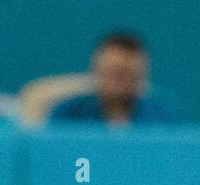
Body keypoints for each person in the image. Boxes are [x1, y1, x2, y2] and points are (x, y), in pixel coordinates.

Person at [48, 33, 183, 126]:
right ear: (97, 71)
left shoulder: (162, 117)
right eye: (113, 73)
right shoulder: (68, 114)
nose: (119, 83)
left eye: (127, 74)